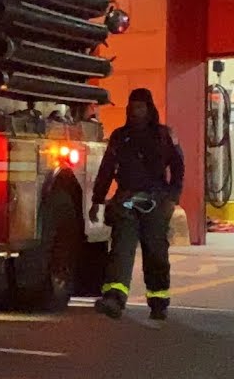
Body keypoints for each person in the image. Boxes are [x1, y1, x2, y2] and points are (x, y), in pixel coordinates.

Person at [87, 87, 185, 321]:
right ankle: (114, 298)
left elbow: (178, 166)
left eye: (140, 106)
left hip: (156, 200)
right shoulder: (120, 137)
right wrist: (97, 200)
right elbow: (107, 169)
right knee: (121, 249)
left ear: (149, 109)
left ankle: (159, 301)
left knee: (156, 253)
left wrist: (173, 196)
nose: (135, 111)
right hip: (127, 200)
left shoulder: (164, 135)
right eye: (132, 106)